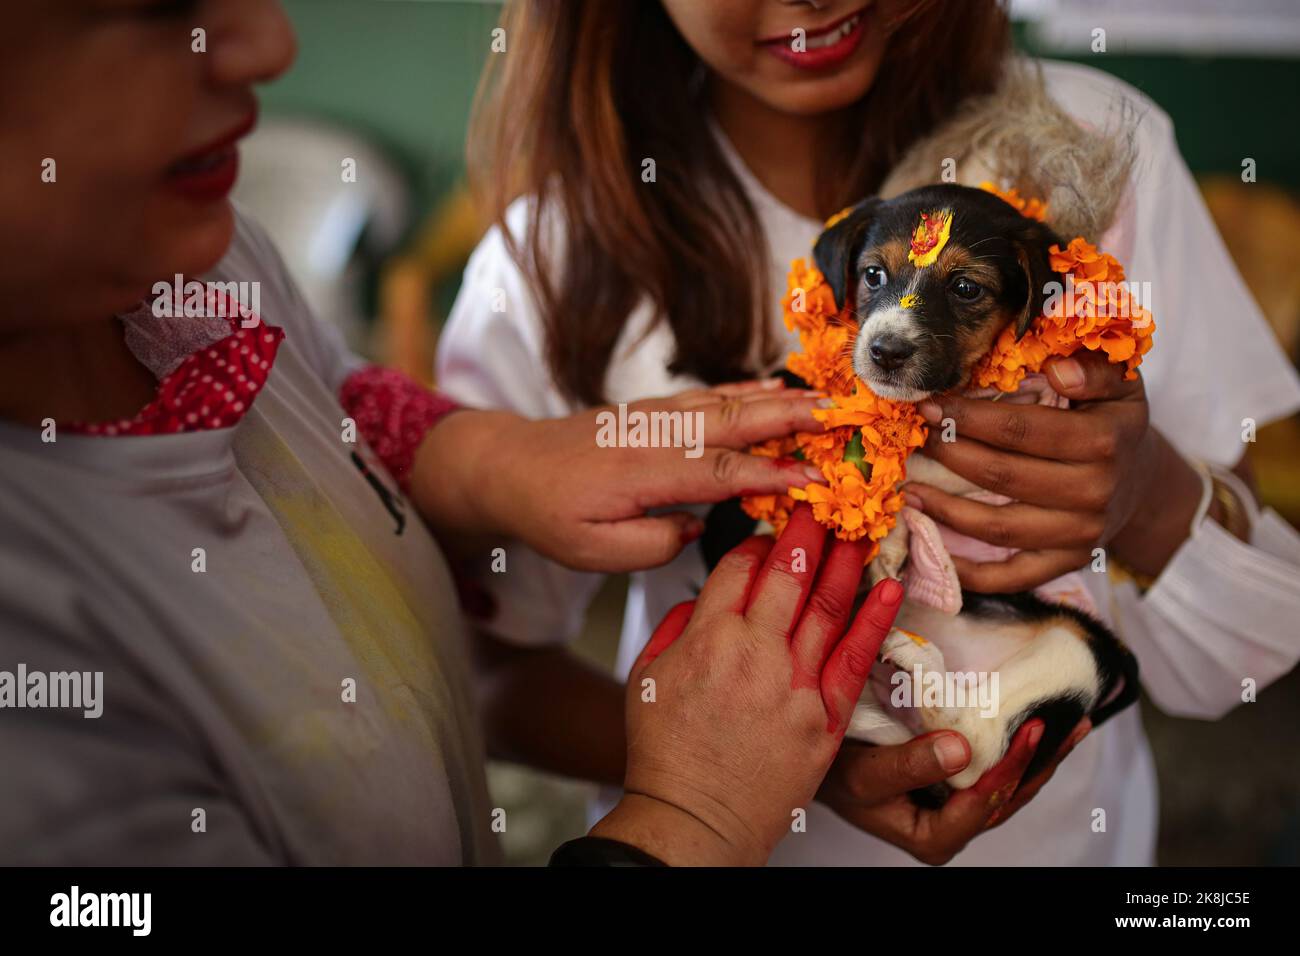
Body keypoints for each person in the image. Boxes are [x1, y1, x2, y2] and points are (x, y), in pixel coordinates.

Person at [0, 0, 1053, 867]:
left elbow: (334, 398)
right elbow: (506, 668)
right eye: (143, 7)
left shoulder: (205, 271)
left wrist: (495, 459)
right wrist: (689, 821)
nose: (271, 39)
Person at [437, 0, 1300, 865]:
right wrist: (751, 777)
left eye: (965, 292)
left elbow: (1244, 629)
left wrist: (1145, 498)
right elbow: (470, 681)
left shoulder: (1096, 153)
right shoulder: (553, 256)